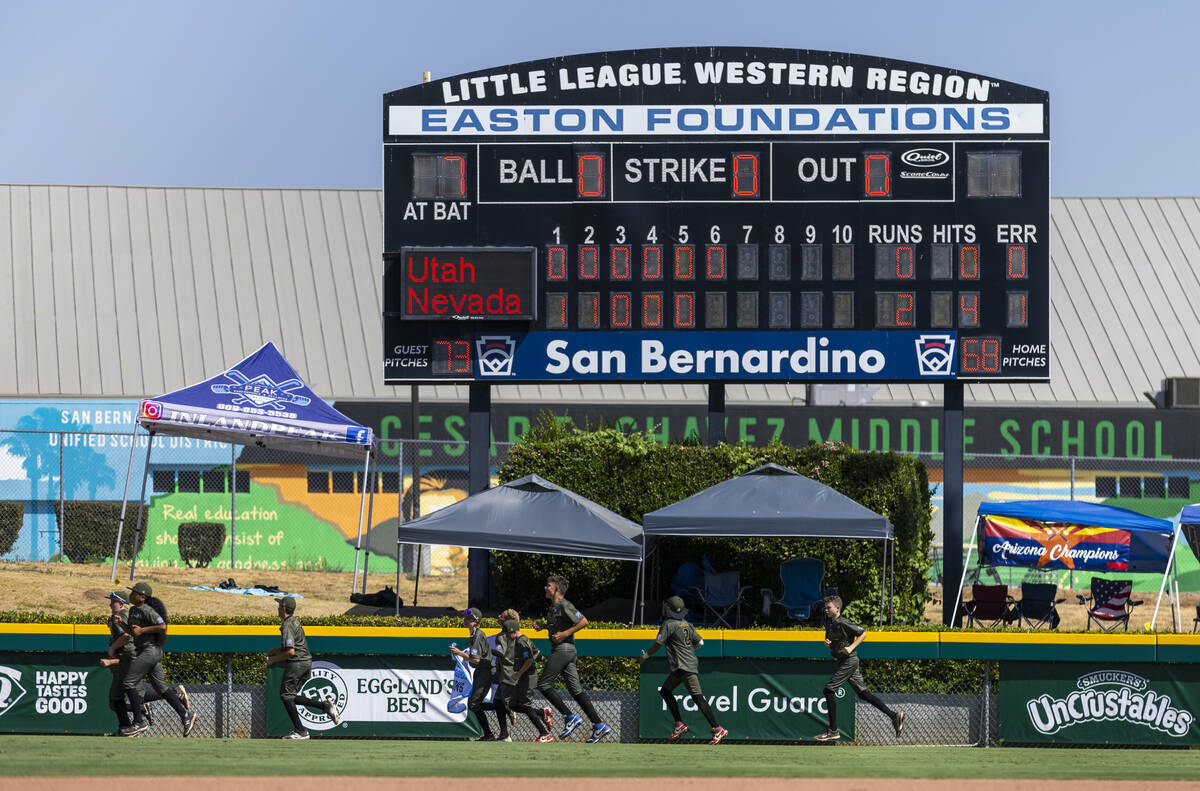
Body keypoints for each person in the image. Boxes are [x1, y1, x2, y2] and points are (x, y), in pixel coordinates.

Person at [637, 596, 727, 745]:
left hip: (684, 667)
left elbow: (657, 644)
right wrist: (688, 651)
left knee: (698, 698)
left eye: (667, 607)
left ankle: (718, 728)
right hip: (683, 666)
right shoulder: (687, 624)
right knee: (665, 691)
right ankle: (679, 724)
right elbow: (700, 642)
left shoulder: (668, 624)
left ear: (669, 610)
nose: (665, 608)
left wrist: (644, 657)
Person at [814, 594, 904, 742]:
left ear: (837, 608)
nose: (826, 610)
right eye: (825, 607)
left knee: (829, 690)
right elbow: (831, 640)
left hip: (849, 660)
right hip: (842, 661)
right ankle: (894, 716)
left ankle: (833, 730)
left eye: (829, 607)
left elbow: (863, 634)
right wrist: (827, 643)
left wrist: (851, 647)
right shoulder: (829, 623)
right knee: (863, 693)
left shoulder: (844, 622)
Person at [533, 574, 612, 742]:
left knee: (543, 684)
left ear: (556, 589)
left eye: (548, 585)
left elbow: (583, 621)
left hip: (563, 649)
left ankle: (570, 717)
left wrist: (564, 634)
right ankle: (599, 725)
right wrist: (543, 626)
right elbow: (559, 624)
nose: (545, 588)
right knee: (576, 690)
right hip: (564, 650)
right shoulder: (554, 607)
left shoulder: (564, 604)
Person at [116, 582, 195, 737]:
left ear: (142, 597)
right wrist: (122, 625)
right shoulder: (133, 610)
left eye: (134, 593)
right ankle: (186, 715)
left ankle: (138, 722)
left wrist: (143, 630)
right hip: (146, 651)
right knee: (161, 689)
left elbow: (162, 626)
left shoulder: (147, 610)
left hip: (149, 650)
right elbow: (134, 632)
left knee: (128, 682)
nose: (131, 595)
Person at [266, 595, 341, 740]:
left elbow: (291, 652)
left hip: (297, 663)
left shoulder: (288, 624)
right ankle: (324, 706)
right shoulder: (294, 621)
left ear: (283, 608)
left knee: (286, 696)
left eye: (279, 605)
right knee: (291, 696)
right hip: (306, 662)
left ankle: (301, 731)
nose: (277, 608)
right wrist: (277, 650)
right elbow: (292, 646)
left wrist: (273, 660)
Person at [450, 607, 509, 741]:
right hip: (482, 671)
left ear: (476, 622)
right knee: (474, 703)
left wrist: (459, 653)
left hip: (485, 671)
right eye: (465, 618)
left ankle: (491, 730)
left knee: (473, 704)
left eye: (469, 619)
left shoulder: (477, 635)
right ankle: (491, 728)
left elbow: (476, 660)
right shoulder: (474, 634)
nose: (465, 620)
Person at [494, 616, 552, 742]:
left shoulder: (520, 642)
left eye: (507, 634)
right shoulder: (524, 638)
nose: (507, 637)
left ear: (513, 631)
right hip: (525, 675)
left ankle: (544, 734)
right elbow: (536, 652)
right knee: (513, 704)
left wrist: (519, 672)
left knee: (525, 705)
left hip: (527, 676)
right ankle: (543, 713)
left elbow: (530, 659)